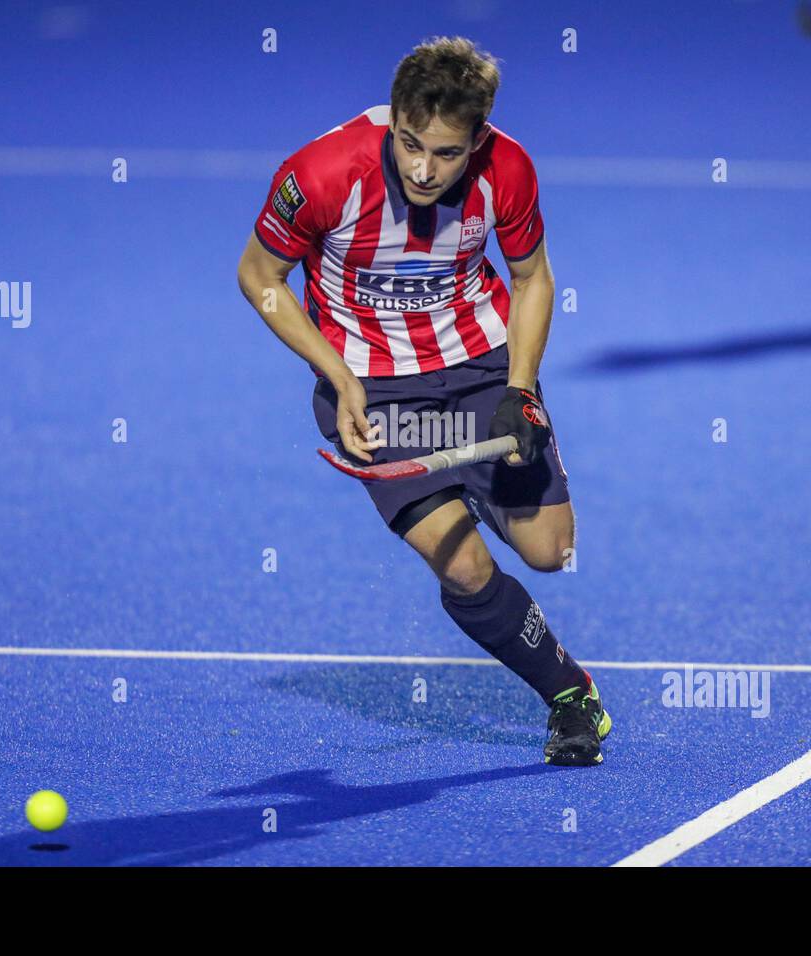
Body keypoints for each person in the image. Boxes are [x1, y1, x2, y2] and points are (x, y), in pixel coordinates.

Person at [237, 37, 612, 766]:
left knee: (550, 551)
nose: (421, 168)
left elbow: (533, 279)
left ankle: (483, 507)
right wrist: (337, 375)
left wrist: (521, 391)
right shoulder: (321, 173)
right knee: (464, 567)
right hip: (375, 391)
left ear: (476, 139)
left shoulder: (509, 169)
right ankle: (569, 696)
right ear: (395, 119)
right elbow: (261, 277)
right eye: (410, 144)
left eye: (444, 154)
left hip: (480, 369)